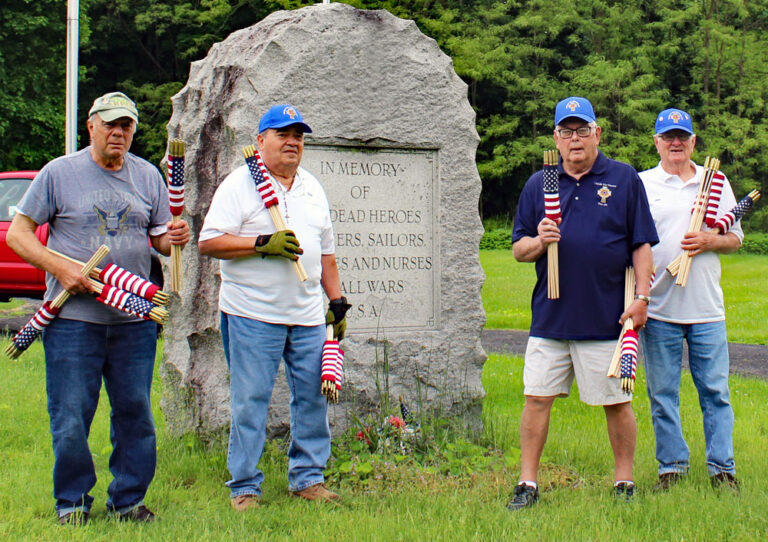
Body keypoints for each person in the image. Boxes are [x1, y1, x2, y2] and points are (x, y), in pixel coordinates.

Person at [7, 91, 191, 525]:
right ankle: (72, 503)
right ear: (90, 126)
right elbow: (19, 235)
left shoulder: (148, 176)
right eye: (109, 123)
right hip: (73, 320)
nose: (118, 132)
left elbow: (160, 238)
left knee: (135, 414)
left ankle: (128, 500)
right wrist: (63, 270)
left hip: (135, 319)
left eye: (126, 125)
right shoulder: (58, 174)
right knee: (71, 416)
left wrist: (174, 236)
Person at [508, 96, 658, 510]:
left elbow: (642, 244)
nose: (575, 139)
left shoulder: (624, 179)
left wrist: (642, 298)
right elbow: (519, 249)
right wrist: (540, 240)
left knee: (616, 401)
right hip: (551, 316)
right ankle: (527, 484)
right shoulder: (541, 183)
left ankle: (624, 482)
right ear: (556, 138)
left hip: (608, 317)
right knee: (536, 398)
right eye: (566, 131)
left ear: (598, 133)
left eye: (582, 130)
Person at [198, 104, 349, 511]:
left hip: (306, 316)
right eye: (282, 134)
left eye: (298, 135)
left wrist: (337, 302)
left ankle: (308, 478)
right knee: (251, 399)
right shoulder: (239, 185)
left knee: (312, 397)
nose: (292, 142)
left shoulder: (312, 187)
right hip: (252, 314)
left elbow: (327, 254)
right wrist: (262, 244)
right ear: (260, 140)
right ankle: (244, 486)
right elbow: (208, 241)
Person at [638, 108, 742, 492]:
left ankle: (722, 469)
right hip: (660, 307)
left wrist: (710, 240)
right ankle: (672, 468)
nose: (676, 143)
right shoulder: (642, 183)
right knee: (662, 393)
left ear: (693, 141)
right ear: (657, 142)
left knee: (715, 392)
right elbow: (633, 241)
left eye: (682, 136)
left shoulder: (713, 182)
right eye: (668, 137)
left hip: (706, 310)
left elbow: (735, 237)